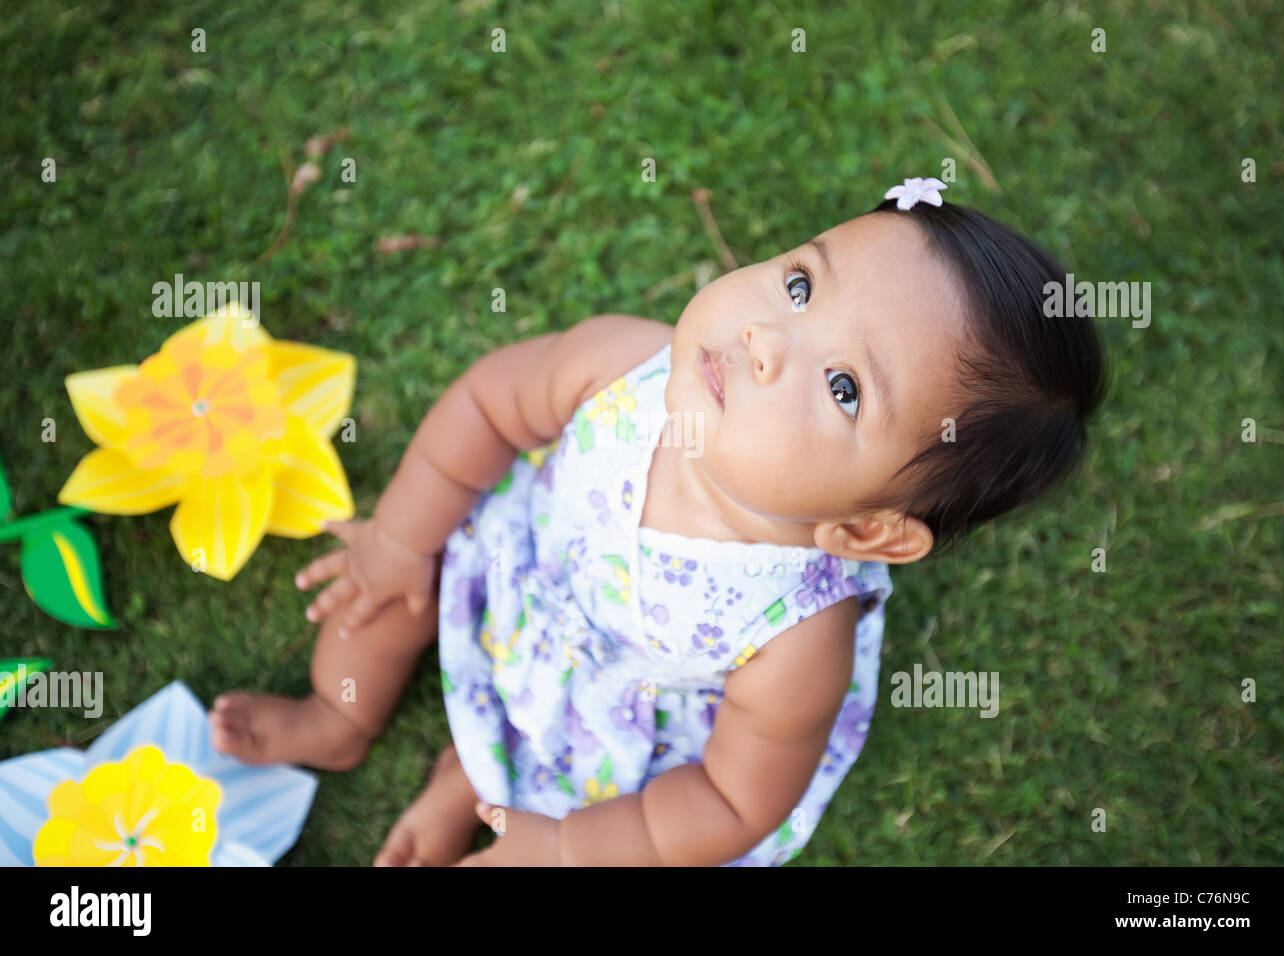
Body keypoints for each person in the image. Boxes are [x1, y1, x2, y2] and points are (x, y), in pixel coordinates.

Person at [208, 180, 1107, 866]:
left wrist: (565, 852)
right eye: (799, 284)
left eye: (842, 387)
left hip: (620, 710)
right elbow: (489, 408)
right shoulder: (623, 367)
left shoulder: (796, 641)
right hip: (519, 574)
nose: (764, 337)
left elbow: (729, 799)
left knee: (584, 825)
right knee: (383, 595)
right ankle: (337, 716)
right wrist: (403, 540)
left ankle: (472, 781)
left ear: (870, 531)